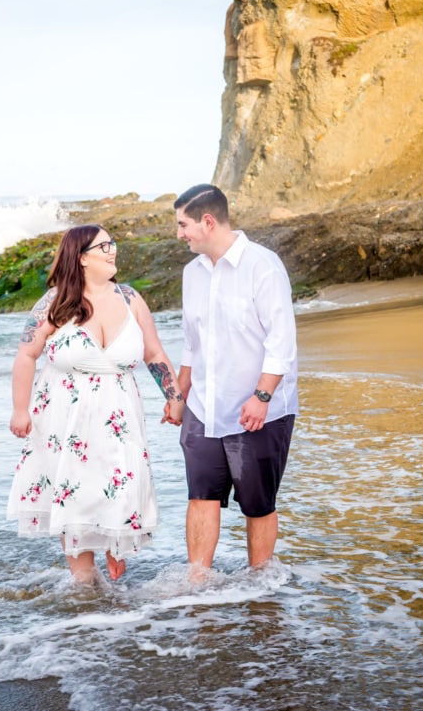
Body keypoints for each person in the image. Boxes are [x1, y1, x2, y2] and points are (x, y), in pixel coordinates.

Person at [7, 225, 185, 584]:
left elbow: (153, 352)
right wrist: (20, 409)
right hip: (64, 414)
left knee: (120, 480)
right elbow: (27, 354)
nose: (112, 250)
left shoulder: (131, 298)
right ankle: (84, 581)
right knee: (74, 488)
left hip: (119, 411)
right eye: (103, 245)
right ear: (82, 257)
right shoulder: (54, 303)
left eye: (112, 243)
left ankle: (112, 546)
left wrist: (175, 396)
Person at [171, 184, 299, 576]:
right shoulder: (191, 273)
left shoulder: (263, 266)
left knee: (257, 503)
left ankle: (259, 584)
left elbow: (282, 344)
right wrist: (180, 394)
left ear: (208, 222)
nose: (179, 234)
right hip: (203, 408)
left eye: (183, 225)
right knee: (201, 496)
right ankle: (197, 582)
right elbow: (192, 344)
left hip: (257, 408)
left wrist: (261, 397)